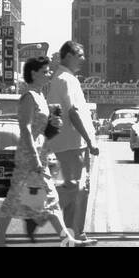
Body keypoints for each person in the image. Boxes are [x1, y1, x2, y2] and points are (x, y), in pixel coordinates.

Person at [0, 56, 89, 247]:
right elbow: (25, 128)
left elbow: (39, 130)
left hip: (39, 153)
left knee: (25, 196)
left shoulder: (41, 97)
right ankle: (66, 239)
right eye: (45, 71)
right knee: (41, 196)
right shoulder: (29, 97)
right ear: (34, 74)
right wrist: (35, 157)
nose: (49, 74)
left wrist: (52, 126)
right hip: (30, 155)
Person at [46, 40, 101, 245]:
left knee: (76, 189)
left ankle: (74, 233)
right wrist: (89, 140)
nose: (83, 59)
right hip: (71, 144)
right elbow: (72, 112)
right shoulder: (65, 80)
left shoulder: (65, 78)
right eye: (80, 55)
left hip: (72, 143)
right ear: (68, 55)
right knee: (74, 190)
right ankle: (72, 233)